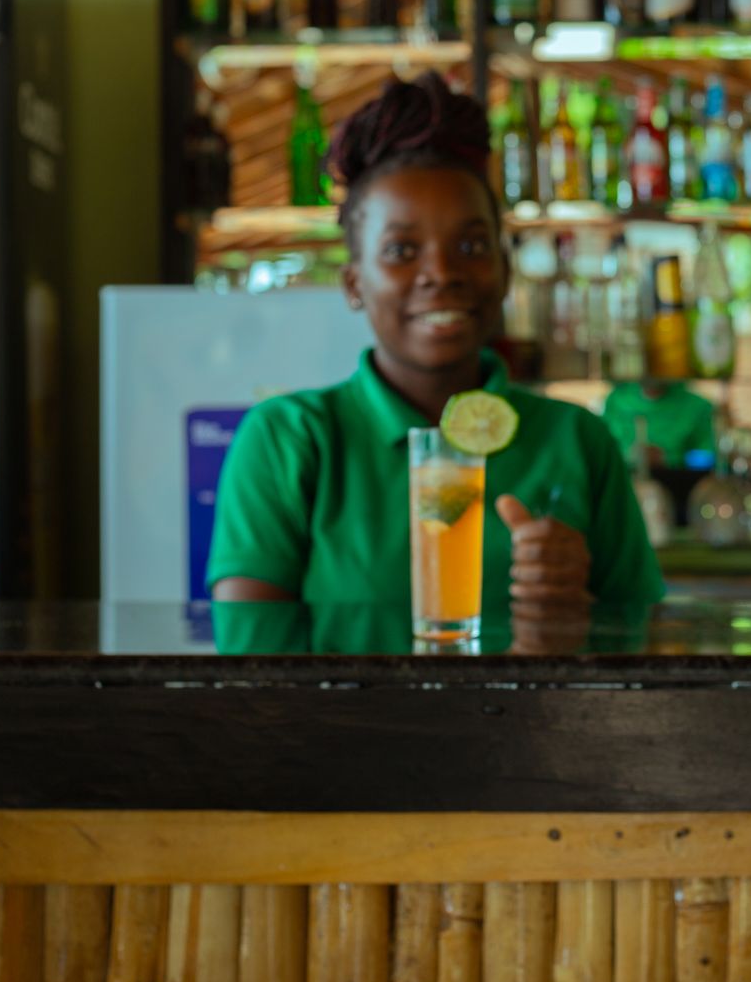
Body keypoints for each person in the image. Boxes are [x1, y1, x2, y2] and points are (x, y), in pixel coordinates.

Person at [207, 73, 664, 646]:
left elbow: (647, 654)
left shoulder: (577, 441)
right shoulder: (288, 440)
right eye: (401, 251)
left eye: (471, 247)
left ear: (504, 273)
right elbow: (252, 678)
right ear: (353, 283)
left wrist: (580, 616)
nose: (442, 273)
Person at [600, 380, 717, 469]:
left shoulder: (697, 406)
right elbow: (603, 455)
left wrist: (668, 458)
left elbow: (709, 457)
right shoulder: (615, 400)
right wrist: (628, 457)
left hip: (679, 486)